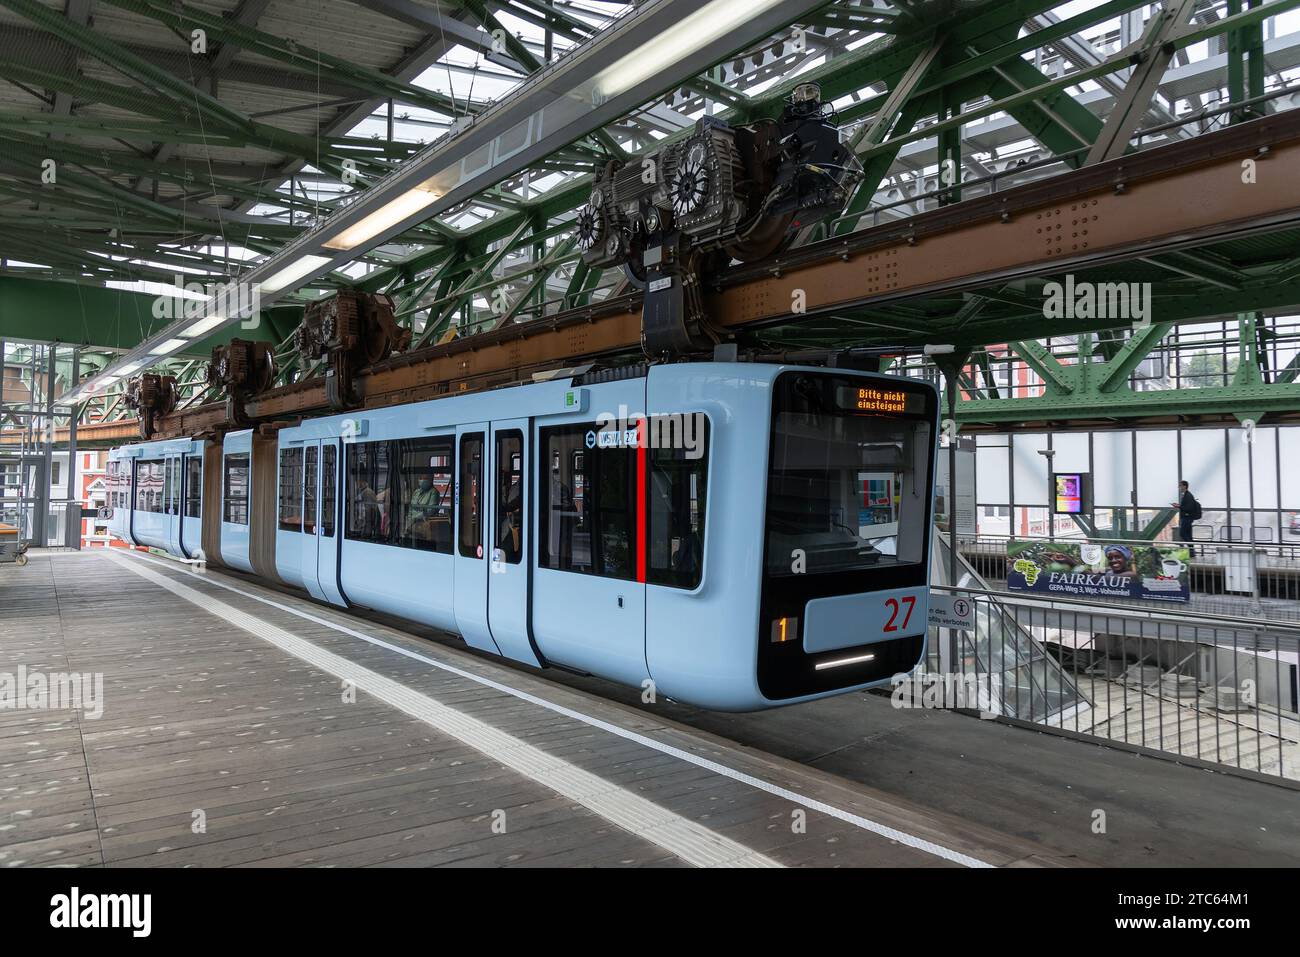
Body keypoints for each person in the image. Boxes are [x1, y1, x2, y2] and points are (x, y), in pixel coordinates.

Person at [404, 471, 441, 538]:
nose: (422, 480)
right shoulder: (416, 491)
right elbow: (411, 507)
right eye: (421, 478)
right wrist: (410, 520)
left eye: (425, 478)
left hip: (424, 522)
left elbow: (430, 510)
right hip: (411, 522)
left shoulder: (434, 492)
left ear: (430, 480)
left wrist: (415, 516)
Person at [1172, 480, 1200, 557]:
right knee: (1188, 535)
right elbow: (1187, 506)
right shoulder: (1186, 495)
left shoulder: (1188, 495)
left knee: (1182, 533)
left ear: (1184, 486)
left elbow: (1189, 508)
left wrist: (1179, 506)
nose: (1179, 487)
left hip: (1187, 518)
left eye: (1180, 486)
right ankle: (1192, 552)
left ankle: (1191, 550)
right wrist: (1179, 505)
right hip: (1187, 517)